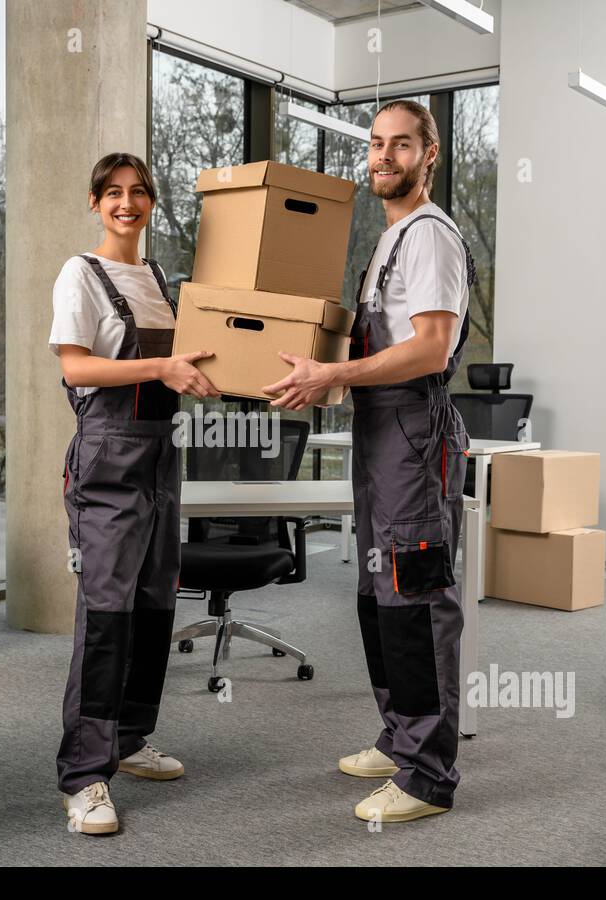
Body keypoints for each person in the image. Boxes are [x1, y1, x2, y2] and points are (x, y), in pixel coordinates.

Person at [263, 100, 476, 824]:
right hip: (380, 429)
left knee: (415, 596)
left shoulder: (430, 237)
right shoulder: (388, 240)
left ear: (430, 154)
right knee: (380, 590)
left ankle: (427, 776)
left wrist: (333, 379)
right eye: (376, 144)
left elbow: (431, 348)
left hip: (413, 431)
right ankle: (400, 735)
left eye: (401, 145)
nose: (384, 157)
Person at [50, 152, 218, 834]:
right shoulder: (80, 274)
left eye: (139, 193)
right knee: (107, 614)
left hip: (160, 459)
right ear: (95, 202)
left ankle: (129, 739)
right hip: (107, 460)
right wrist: (163, 364)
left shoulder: (154, 277)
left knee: (153, 605)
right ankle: (84, 776)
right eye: (114, 193)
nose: (127, 204)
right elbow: (77, 364)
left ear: (151, 203)